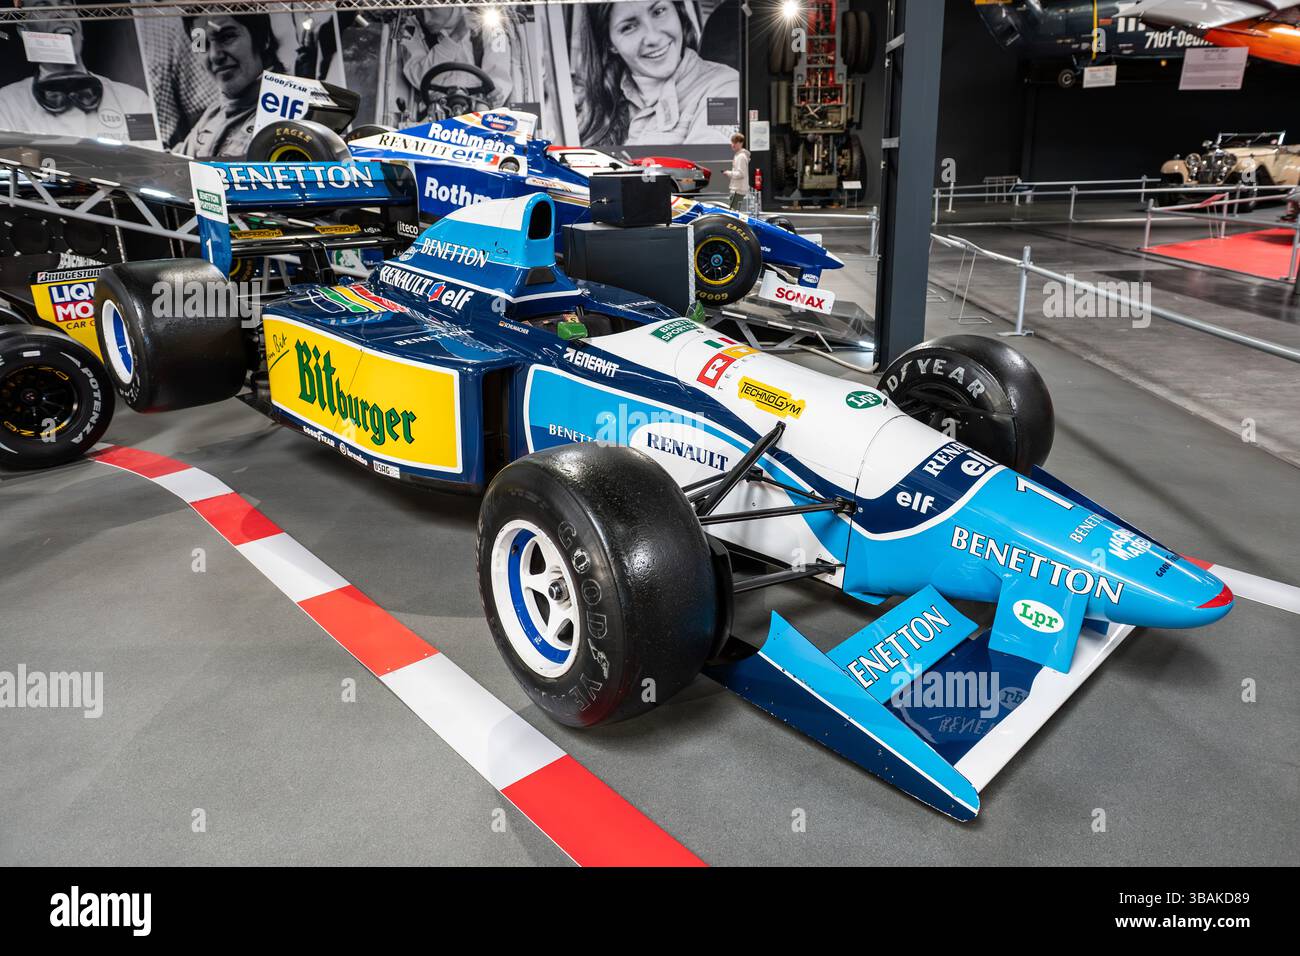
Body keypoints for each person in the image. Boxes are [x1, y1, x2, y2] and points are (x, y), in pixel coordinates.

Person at [577, 1, 739, 148]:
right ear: (610, 44)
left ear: (678, 11)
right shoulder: (597, 106)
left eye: (659, 11)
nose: (653, 37)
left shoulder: (725, 90)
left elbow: (709, 175)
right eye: (629, 27)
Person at [0, 0, 154, 141]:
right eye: (43, 7)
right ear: (24, 29)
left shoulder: (135, 100)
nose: (60, 13)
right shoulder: (6, 105)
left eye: (66, 4)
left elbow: (149, 161)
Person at [174, 14, 285, 159]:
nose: (214, 55)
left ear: (264, 38)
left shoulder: (289, 112)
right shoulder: (212, 114)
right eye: (201, 44)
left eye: (226, 37)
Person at [396, 7, 514, 117]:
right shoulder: (411, 27)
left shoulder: (490, 25)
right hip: (436, 113)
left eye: (431, 9)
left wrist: (496, 94)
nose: (426, 18)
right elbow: (419, 78)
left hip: (478, 111)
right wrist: (455, 37)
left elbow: (499, 78)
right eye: (420, 11)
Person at [725, 132, 749, 210]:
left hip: (737, 189)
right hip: (738, 189)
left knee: (733, 212)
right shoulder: (740, 155)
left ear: (741, 143)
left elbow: (741, 174)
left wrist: (729, 173)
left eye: (735, 142)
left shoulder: (741, 156)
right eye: (732, 142)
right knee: (734, 211)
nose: (733, 144)